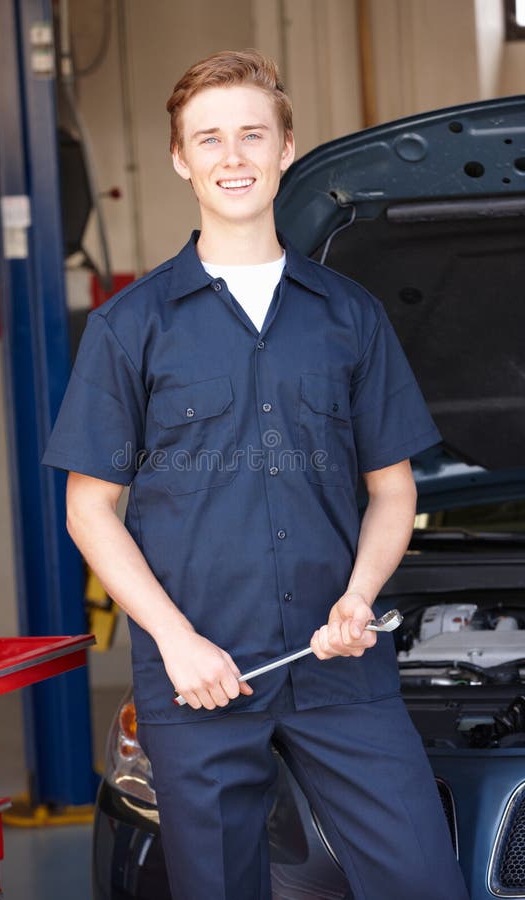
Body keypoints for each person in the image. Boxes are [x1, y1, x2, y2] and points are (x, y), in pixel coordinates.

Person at [43, 49, 469, 900]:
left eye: (250, 135)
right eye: (209, 139)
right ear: (180, 159)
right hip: (198, 679)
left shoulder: (350, 316)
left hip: (340, 668)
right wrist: (175, 641)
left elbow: (394, 489)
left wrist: (360, 593)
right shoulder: (132, 327)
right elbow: (89, 509)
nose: (231, 157)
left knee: (424, 881)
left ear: (285, 149)